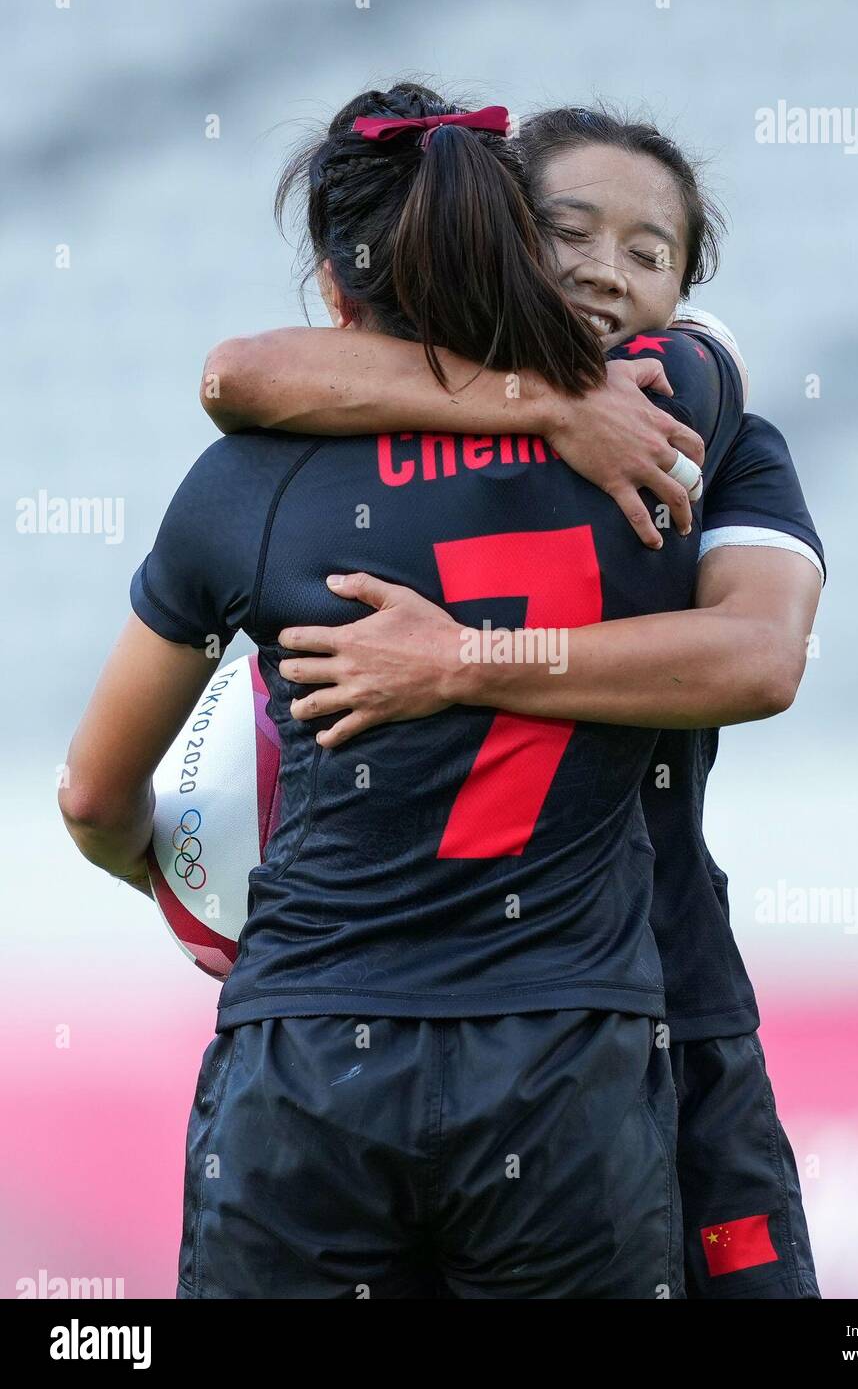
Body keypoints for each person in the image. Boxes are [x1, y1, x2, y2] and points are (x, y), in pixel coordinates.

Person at [59, 84, 750, 1299]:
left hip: (310, 1059)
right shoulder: (659, 414)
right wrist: (547, 395)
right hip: (566, 1056)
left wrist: (181, 886)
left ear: (335, 287)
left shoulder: (242, 483)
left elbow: (92, 793)